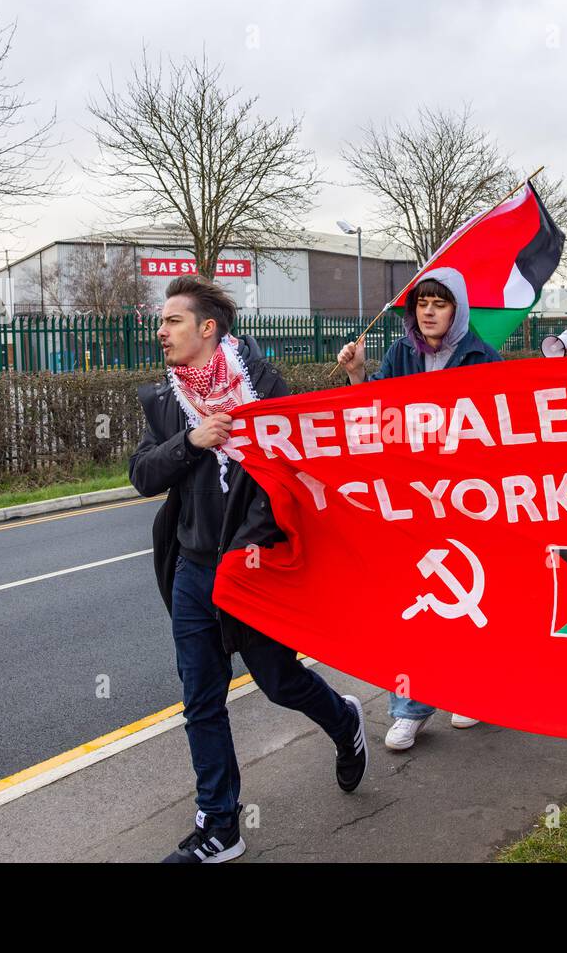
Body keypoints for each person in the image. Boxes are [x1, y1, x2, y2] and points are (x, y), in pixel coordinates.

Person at [131, 276, 368, 863]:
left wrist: (248, 549)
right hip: (193, 569)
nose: (160, 332)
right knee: (200, 698)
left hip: (252, 569)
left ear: (207, 328)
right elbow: (142, 474)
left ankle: (344, 721)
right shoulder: (165, 400)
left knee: (279, 682)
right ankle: (220, 824)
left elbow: (286, 478)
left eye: (171, 321)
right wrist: (192, 441)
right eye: (161, 323)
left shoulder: (261, 386)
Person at [337, 267, 500, 749]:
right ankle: (409, 706)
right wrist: (357, 375)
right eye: (422, 303)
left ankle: (469, 692)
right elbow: (374, 418)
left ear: (458, 310)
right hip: (408, 502)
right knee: (410, 605)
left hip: (463, 501)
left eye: (440, 303)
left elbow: (497, 429)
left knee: (470, 600)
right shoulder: (399, 353)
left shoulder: (481, 357)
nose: (428, 312)